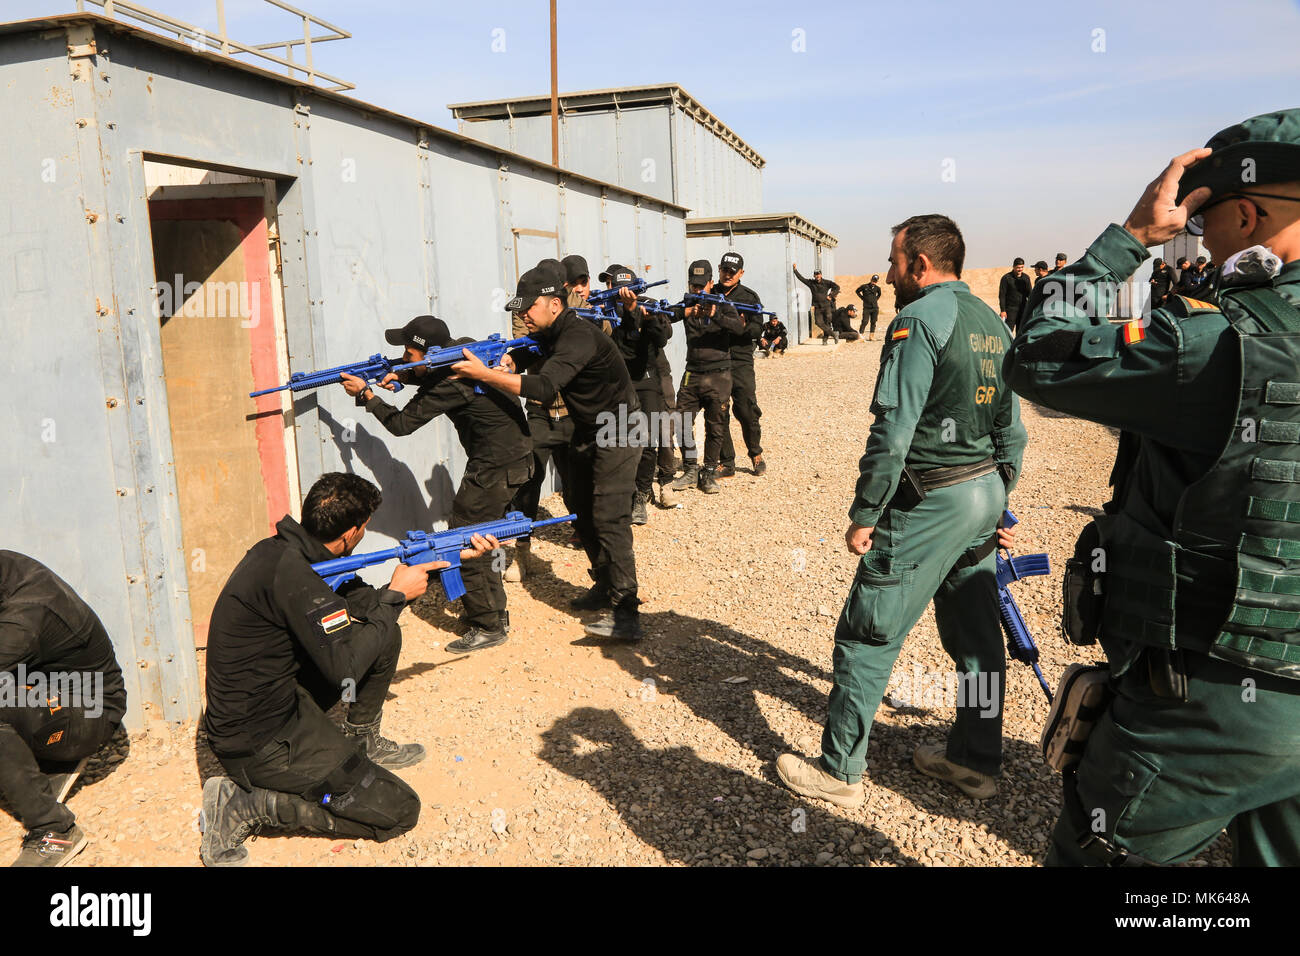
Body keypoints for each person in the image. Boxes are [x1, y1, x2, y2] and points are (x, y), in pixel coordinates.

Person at [1007, 109, 1300, 866]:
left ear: (1245, 213)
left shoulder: (1212, 339)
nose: (1199, 245)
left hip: (1210, 704)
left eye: (1203, 227)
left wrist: (1132, 235)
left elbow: (1037, 357)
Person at [776, 213, 1027, 808]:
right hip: (983, 493)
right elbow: (1012, 431)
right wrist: (1000, 502)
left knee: (868, 632)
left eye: (893, 262)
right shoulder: (993, 320)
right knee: (976, 637)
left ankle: (839, 773)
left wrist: (866, 511)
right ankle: (974, 762)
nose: (887, 276)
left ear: (919, 263)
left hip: (932, 498)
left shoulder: (917, 321)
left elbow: (895, 431)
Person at [200, 472, 498, 866]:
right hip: (260, 739)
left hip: (273, 698)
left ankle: (363, 739)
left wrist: (446, 560)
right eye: (366, 527)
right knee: (399, 810)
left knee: (383, 632)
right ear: (351, 533)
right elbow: (345, 671)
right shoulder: (298, 576)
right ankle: (246, 804)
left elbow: (362, 606)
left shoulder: (287, 551)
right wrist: (393, 599)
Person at [452, 261, 644, 642]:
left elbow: (542, 387)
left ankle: (627, 613)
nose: (523, 314)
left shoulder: (578, 336)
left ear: (555, 303)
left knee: (608, 514)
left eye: (529, 307)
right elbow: (532, 352)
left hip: (621, 428)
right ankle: (605, 584)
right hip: (589, 428)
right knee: (581, 510)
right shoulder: (554, 332)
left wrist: (485, 374)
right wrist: (509, 359)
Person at [341, 315, 531, 653]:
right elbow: (434, 376)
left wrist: (368, 395)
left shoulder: (450, 384)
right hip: (514, 461)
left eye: (408, 354)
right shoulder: (465, 355)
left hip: (495, 469)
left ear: (427, 353)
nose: (403, 359)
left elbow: (401, 425)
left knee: (467, 538)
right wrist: (400, 378)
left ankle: (488, 624)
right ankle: (493, 613)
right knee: (482, 535)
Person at [0, 551, 126, 866]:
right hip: (45, 690)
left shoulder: (24, 615)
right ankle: (36, 759)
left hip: (89, 714)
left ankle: (54, 830)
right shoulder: (6, 569)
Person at [506, 254, 589, 581]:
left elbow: (601, 334)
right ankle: (522, 552)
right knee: (530, 475)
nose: (526, 312)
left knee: (576, 472)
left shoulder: (577, 305)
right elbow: (520, 340)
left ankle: (586, 530)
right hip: (540, 401)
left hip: (574, 403)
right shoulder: (524, 308)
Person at [668, 260, 746, 495]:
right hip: (692, 373)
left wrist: (715, 315)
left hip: (719, 375)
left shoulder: (723, 305)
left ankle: (709, 471)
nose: (698, 290)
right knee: (681, 421)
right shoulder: (688, 302)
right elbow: (668, 315)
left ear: (712, 283)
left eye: (702, 285)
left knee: (716, 424)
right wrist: (687, 310)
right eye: (694, 286)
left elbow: (739, 329)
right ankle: (691, 468)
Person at [603, 264, 672, 525]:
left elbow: (662, 337)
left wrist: (644, 317)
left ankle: (641, 495)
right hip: (618, 385)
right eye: (611, 285)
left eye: (620, 286)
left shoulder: (647, 306)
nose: (616, 291)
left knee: (647, 440)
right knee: (618, 440)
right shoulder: (605, 310)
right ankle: (624, 493)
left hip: (646, 383)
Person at [715, 252, 768, 479]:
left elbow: (757, 328)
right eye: (724, 270)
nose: (727, 275)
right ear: (719, 269)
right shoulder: (710, 293)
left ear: (741, 273)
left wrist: (741, 327)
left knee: (746, 409)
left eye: (732, 272)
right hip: (715, 359)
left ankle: (755, 453)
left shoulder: (749, 297)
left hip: (740, 360)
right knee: (719, 410)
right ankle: (727, 462)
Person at [793, 264, 840, 344]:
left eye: (818, 274)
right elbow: (801, 279)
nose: (817, 276)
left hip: (826, 306)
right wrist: (795, 270)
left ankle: (825, 339)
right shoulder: (811, 283)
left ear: (821, 275)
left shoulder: (826, 282)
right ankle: (834, 334)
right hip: (817, 307)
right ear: (814, 275)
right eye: (816, 274)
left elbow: (837, 287)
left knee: (827, 322)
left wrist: (830, 295)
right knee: (818, 322)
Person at [998, 257, 1032, 331]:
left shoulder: (1026, 278)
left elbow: (1030, 294)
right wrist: (1003, 310)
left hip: (1023, 309)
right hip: (1010, 309)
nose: (1020, 269)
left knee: (1021, 332)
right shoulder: (1006, 278)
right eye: (1018, 267)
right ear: (1013, 267)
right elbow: (1002, 295)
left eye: (1022, 267)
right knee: (1008, 331)